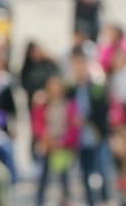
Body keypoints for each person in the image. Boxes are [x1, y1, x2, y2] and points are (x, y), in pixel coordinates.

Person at [67, 50, 113, 206]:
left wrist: (86, 119)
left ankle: (106, 200)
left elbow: (103, 109)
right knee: (85, 172)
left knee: (102, 169)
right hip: (80, 137)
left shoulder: (96, 85)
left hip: (96, 133)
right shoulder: (72, 88)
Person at [31, 75, 80, 206]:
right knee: (44, 175)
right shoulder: (42, 103)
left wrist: (63, 142)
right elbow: (37, 124)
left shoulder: (69, 105)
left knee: (64, 177)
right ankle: (40, 201)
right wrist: (47, 138)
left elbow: (74, 126)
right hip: (47, 144)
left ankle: (65, 201)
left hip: (63, 145)